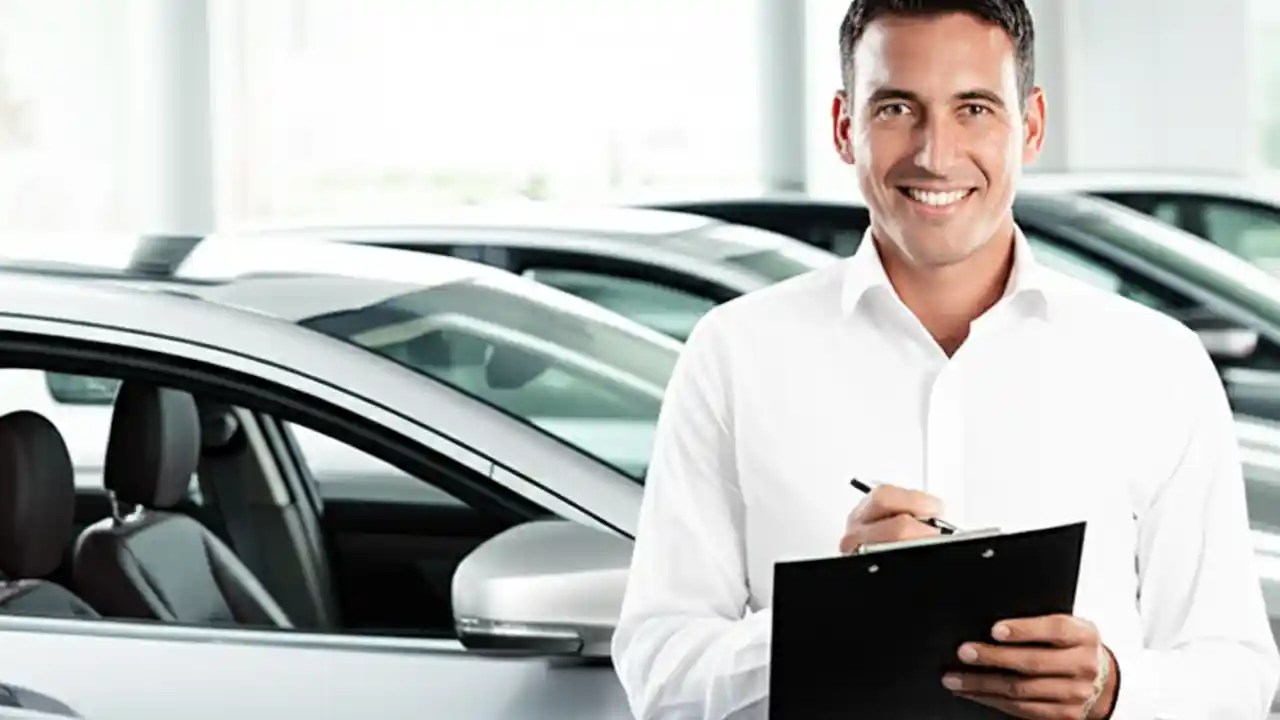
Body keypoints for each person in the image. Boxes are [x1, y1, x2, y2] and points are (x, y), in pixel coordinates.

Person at [610, 0, 1280, 718]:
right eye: (897, 107)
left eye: (975, 109)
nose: (935, 153)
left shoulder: (1157, 364)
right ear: (845, 127)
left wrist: (1113, 689)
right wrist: (840, 616)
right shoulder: (734, 353)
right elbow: (660, 669)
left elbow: (1236, 675)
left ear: (1030, 125)